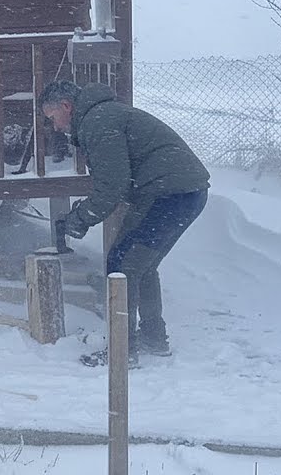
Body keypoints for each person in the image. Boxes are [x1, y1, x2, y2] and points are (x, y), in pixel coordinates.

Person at [38, 80, 210, 366]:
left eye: (53, 118)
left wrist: (80, 218)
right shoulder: (103, 115)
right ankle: (154, 339)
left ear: (66, 106)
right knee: (140, 265)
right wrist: (84, 214)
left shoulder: (98, 121)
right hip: (184, 192)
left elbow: (113, 186)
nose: (55, 127)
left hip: (170, 194)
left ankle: (122, 351)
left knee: (121, 266)